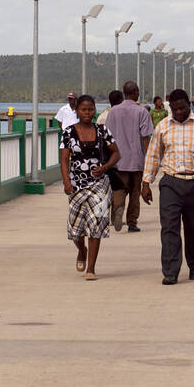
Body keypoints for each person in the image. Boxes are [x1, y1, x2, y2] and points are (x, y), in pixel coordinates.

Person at [141, 89, 194, 284]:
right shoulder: (162, 126)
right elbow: (153, 155)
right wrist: (146, 182)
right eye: (175, 108)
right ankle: (170, 271)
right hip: (171, 182)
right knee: (169, 228)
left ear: (190, 105)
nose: (178, 112)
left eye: (182, 108)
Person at [59, 94, 121, 281]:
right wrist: (66, 182)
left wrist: (105, 167)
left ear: (94, 111)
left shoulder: (102, 130)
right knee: (75, 229)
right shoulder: (68, 132)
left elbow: (116, 153)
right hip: (76, 184)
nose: (87, 113)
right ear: (77, 111)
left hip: (99, 184)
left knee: (96, 224)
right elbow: (64, 159)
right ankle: (81, 249)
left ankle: (91, 268)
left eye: (91, 109)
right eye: (84, 110)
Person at [105, 81, 153, 233]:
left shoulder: (113, 111)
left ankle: (118, 209)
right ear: (135, 92)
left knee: (119, 189)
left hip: (118, 160)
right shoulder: (142, 112)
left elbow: (107, 135)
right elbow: (146, 136)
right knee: (135, 191)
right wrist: (148, 157)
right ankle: (132, 222)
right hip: (136, 159)